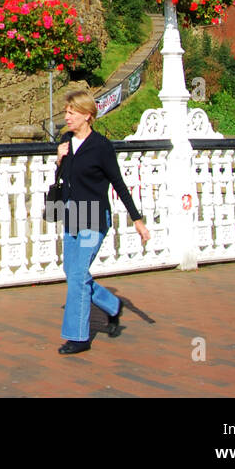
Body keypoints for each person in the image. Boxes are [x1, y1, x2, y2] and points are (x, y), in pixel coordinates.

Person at [53, 88, 150, 355]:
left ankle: (78, 337)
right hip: (72, 213)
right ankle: (112, 305)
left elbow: (118, 184)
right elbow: (64, 180)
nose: (67, 117)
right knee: (73, 273)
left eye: (72, 112)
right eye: (66, 112)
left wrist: (137, 219)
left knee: (76, 275)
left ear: (87, 115)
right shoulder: (65, 141)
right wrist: (59, 159)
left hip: (94, 217)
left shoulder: (102, 147)